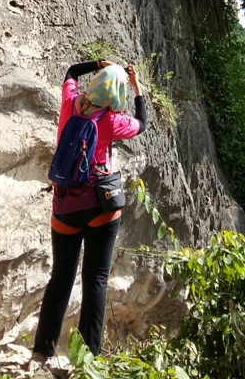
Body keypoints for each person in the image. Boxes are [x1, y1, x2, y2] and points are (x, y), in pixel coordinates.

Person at [31, 60, 146, 372]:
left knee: (61, 278)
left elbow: (70, 72)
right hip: (99, 206)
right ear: (117, 92)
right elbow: (142, 123)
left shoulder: (70, 103)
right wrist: (137, 88)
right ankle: (88, 361)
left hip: (64, 205)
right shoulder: (112, 120)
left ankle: (41, 352)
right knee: (95, 278)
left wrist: (99, 63)